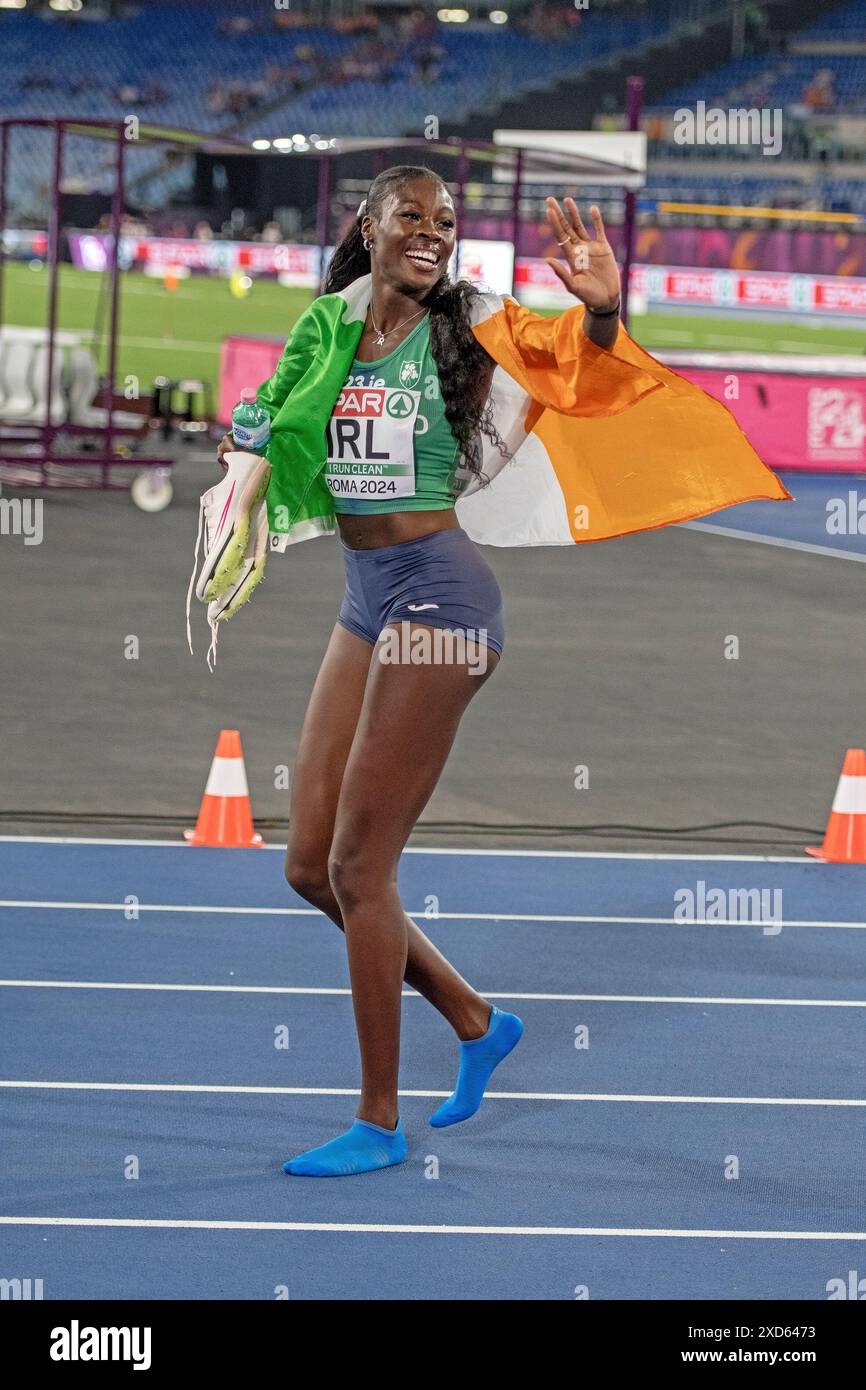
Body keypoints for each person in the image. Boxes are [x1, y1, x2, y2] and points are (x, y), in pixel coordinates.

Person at [209, 164, 790, 1177]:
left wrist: (602, 309)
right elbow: (276, 421)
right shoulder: (330, 327)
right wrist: (244, 457)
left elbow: (580, 366)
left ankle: (378, 1120)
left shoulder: (473, 324)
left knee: (359, 867)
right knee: (308, 865)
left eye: (445, 221)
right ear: (369, 226)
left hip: (440, 598)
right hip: (364, 594)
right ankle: (477, 1021)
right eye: (411, 217)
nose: (430, 232)